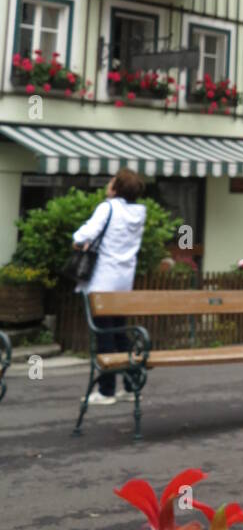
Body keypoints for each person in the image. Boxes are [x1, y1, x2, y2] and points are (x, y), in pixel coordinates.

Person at [72, 169, 147, 406]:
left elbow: (86, 234)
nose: (108, 184)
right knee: (120, 334)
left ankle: (106, 391)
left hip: (103, 282)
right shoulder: (139, 213)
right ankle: (129, 385)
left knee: (104, 336)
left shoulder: (108, 207)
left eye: (111, 181)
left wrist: (77, 239)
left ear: (116, 188)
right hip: (124, 282)